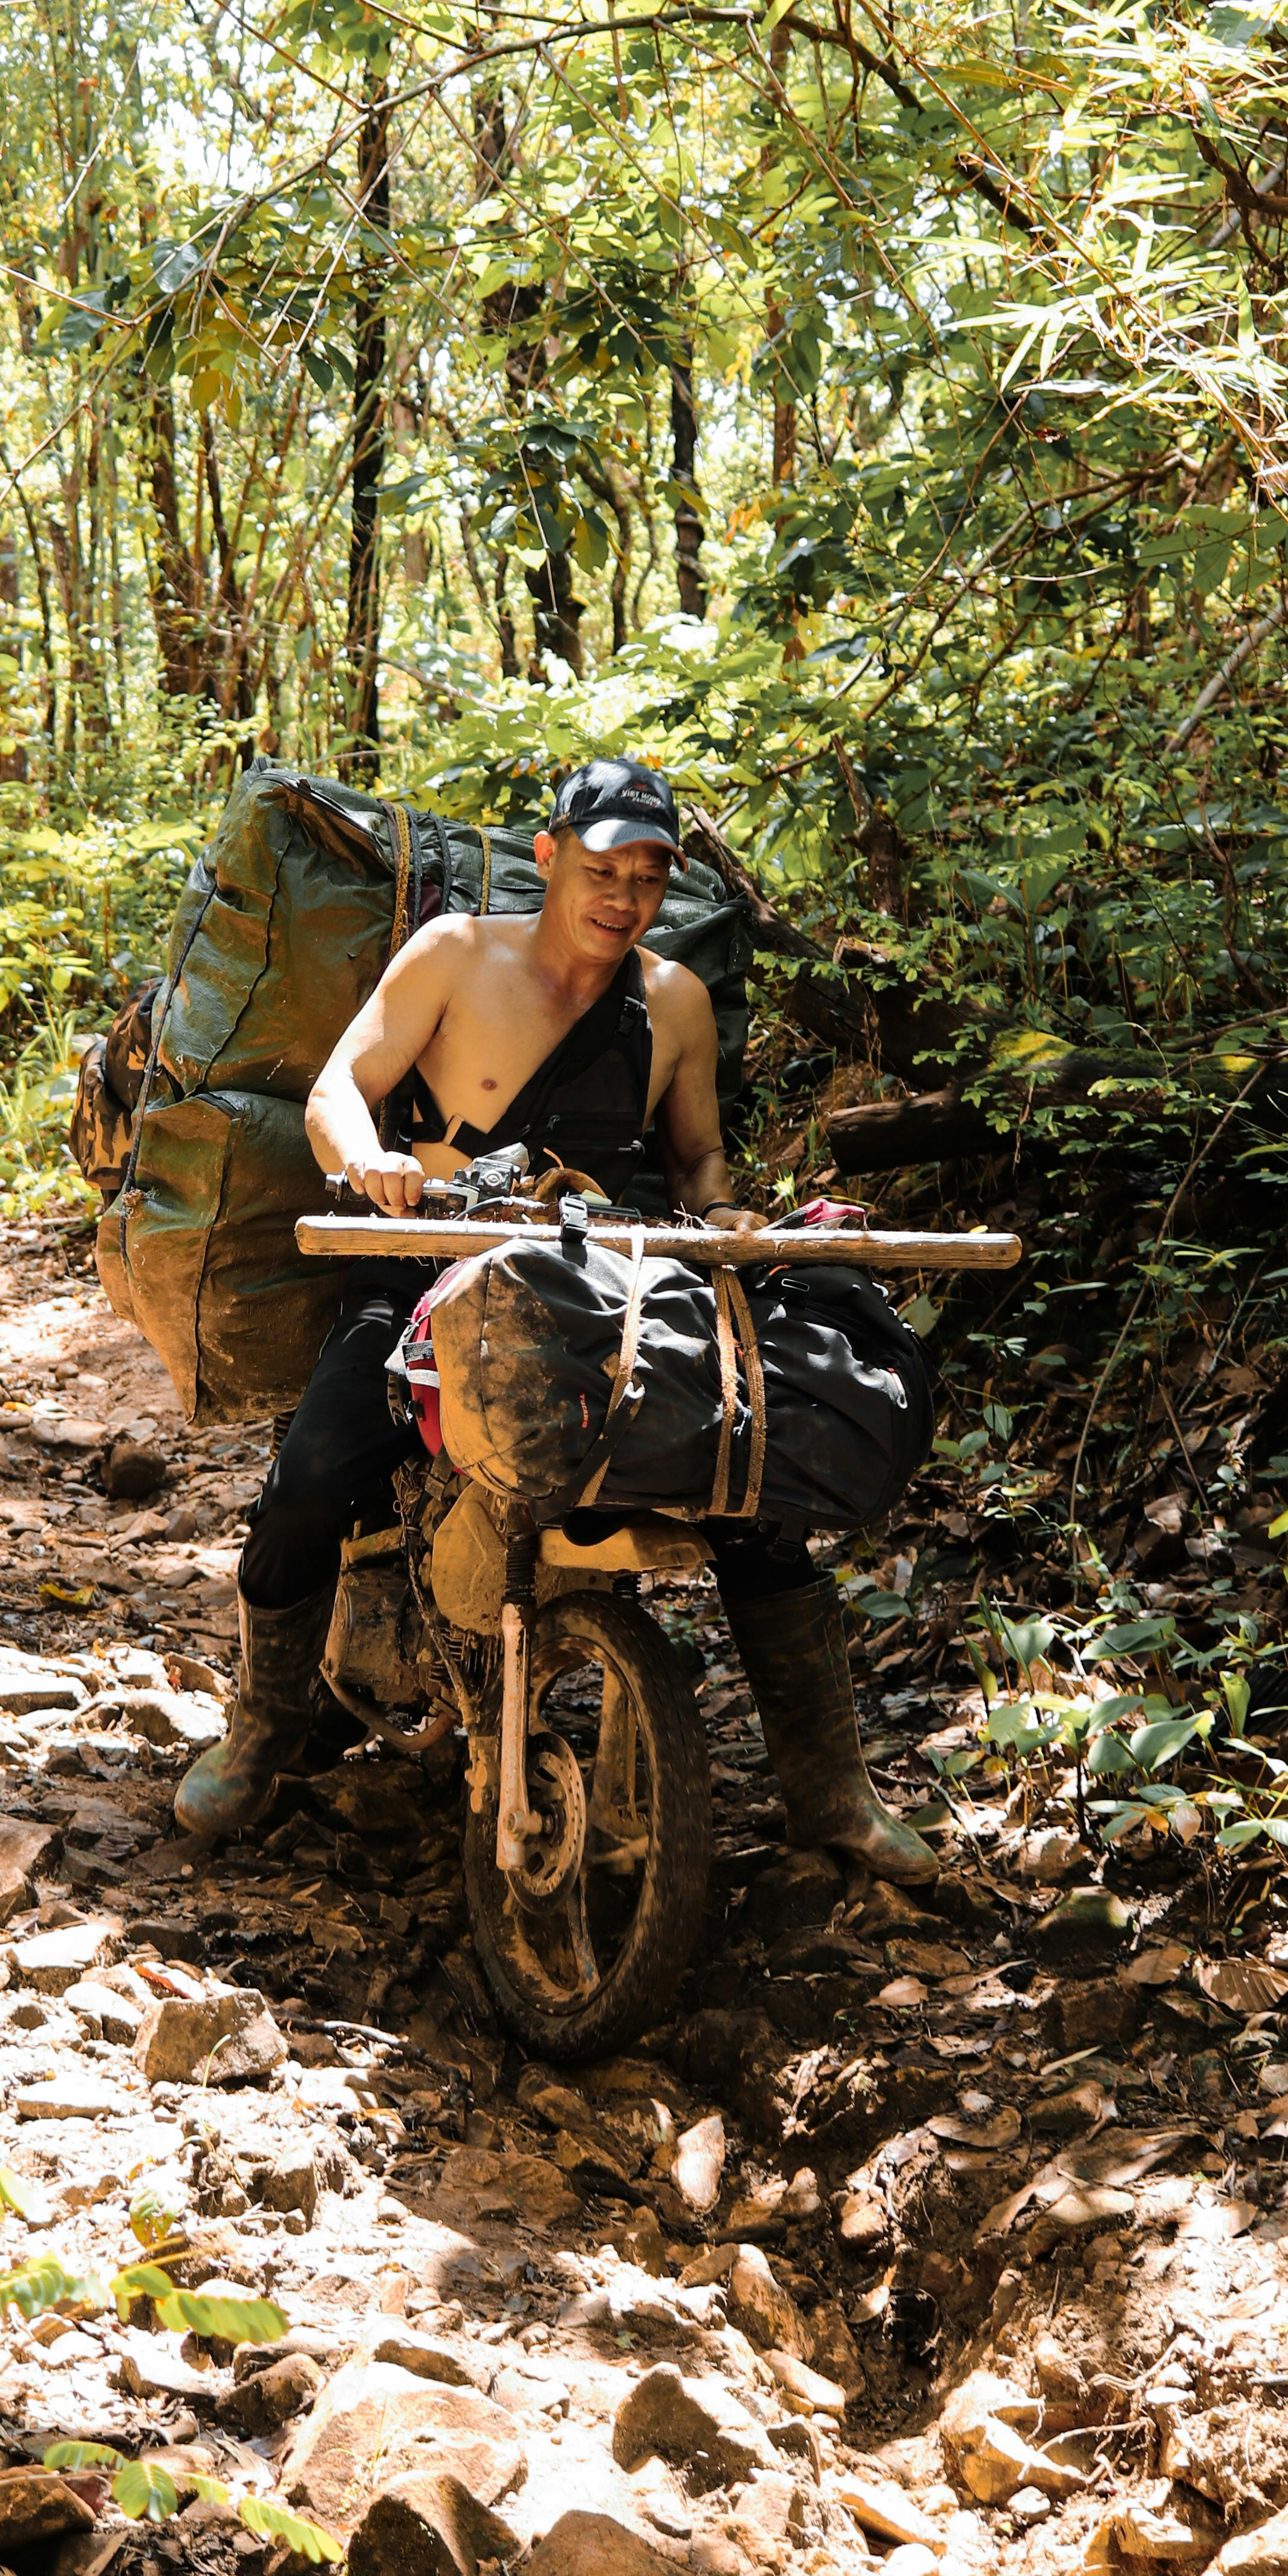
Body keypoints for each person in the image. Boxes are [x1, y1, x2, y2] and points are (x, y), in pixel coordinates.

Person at [175, 755, 936, 1886]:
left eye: (647, 877)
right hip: (426, 1266)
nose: (623, 897)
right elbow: (340, 1089)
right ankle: (262, 1728)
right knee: (311, 1478)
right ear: (549, 859)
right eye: (602, 870)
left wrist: (729, 1211)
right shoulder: (455, 953)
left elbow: (698, 1159)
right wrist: (373, 1163)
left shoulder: (673, 1002)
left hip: (597, 1294)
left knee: (749, 1484)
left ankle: (832, 1793)